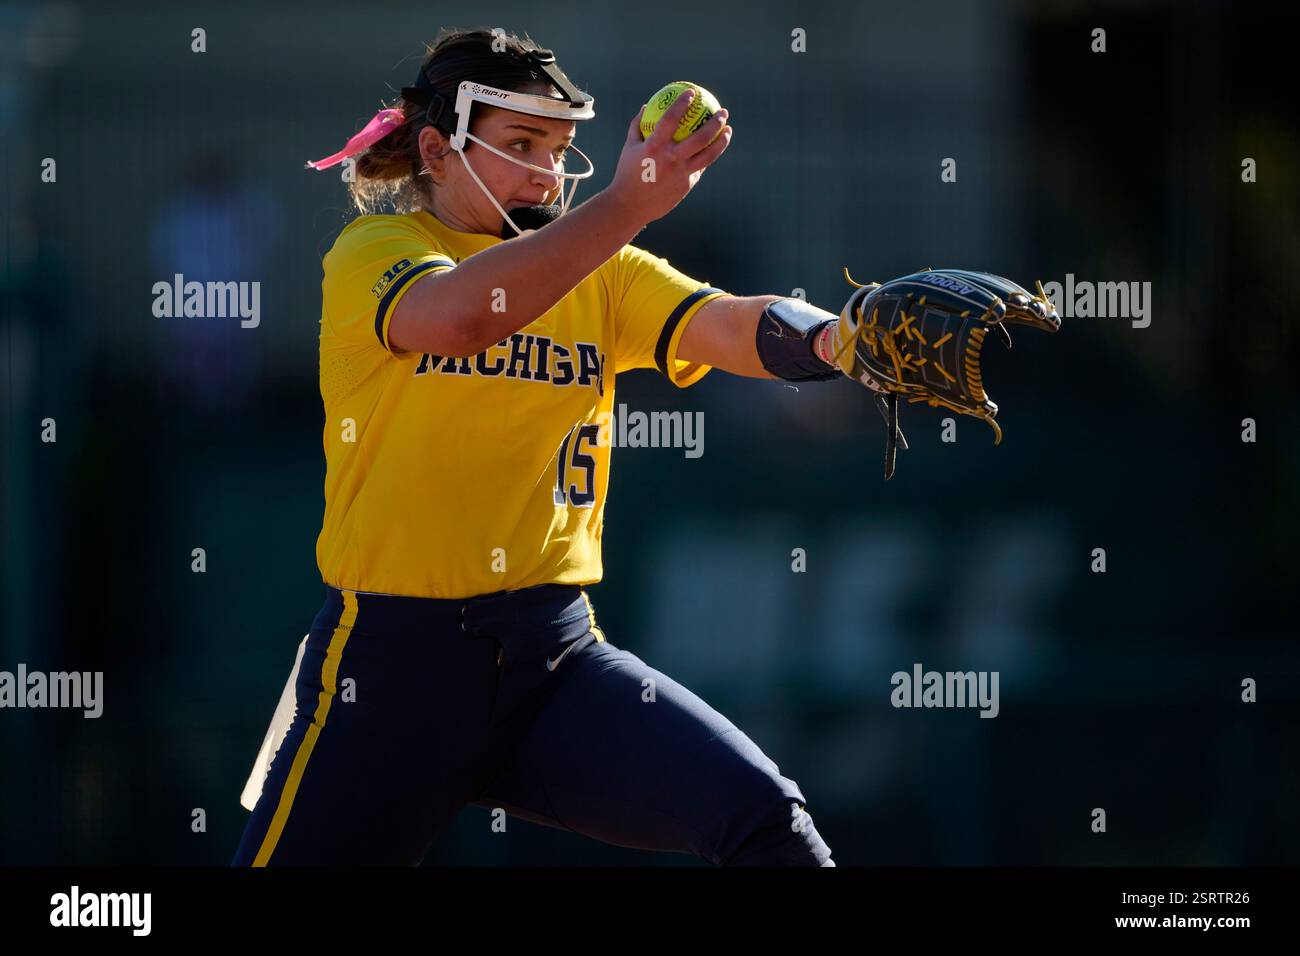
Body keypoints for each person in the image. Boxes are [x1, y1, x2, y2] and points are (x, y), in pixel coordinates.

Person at [232, 27, 845, 866]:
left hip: (553, 660)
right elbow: (461, 318)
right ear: (437, 152)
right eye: (522, 145)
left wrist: (846, 338)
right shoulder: (378, 248)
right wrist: (629, 203)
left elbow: (734, 326)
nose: (549, 172)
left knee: (763, 819)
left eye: (558, 148)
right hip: (391, 670)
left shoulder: (598, 268)